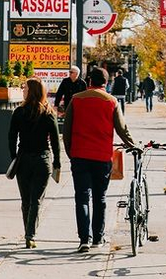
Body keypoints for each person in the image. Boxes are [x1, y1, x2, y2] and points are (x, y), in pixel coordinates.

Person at [63, 66, 138, 252]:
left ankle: (84, 239)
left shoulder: (76, 99)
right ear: (106, 83)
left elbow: (67, 130)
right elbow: (122, 129)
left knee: (81, 197)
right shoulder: (111, 101)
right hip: (102, 156)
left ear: (89, 81)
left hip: (80, 155)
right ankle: (98, 237)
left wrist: (70, 152)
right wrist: (132, 144)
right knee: (100, 197)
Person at [8, 77, 61, 249]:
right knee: (36, 200)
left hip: (23, 159)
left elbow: (11, 136)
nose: (23, 90)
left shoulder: (19, 112)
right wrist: (57, 163)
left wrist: (13, 156)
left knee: (25, 200)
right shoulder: (48, 113)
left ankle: (28, 232)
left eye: (25, 88)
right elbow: (55, 141)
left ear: (31, 91)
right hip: (42, 159)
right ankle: (30, 234)